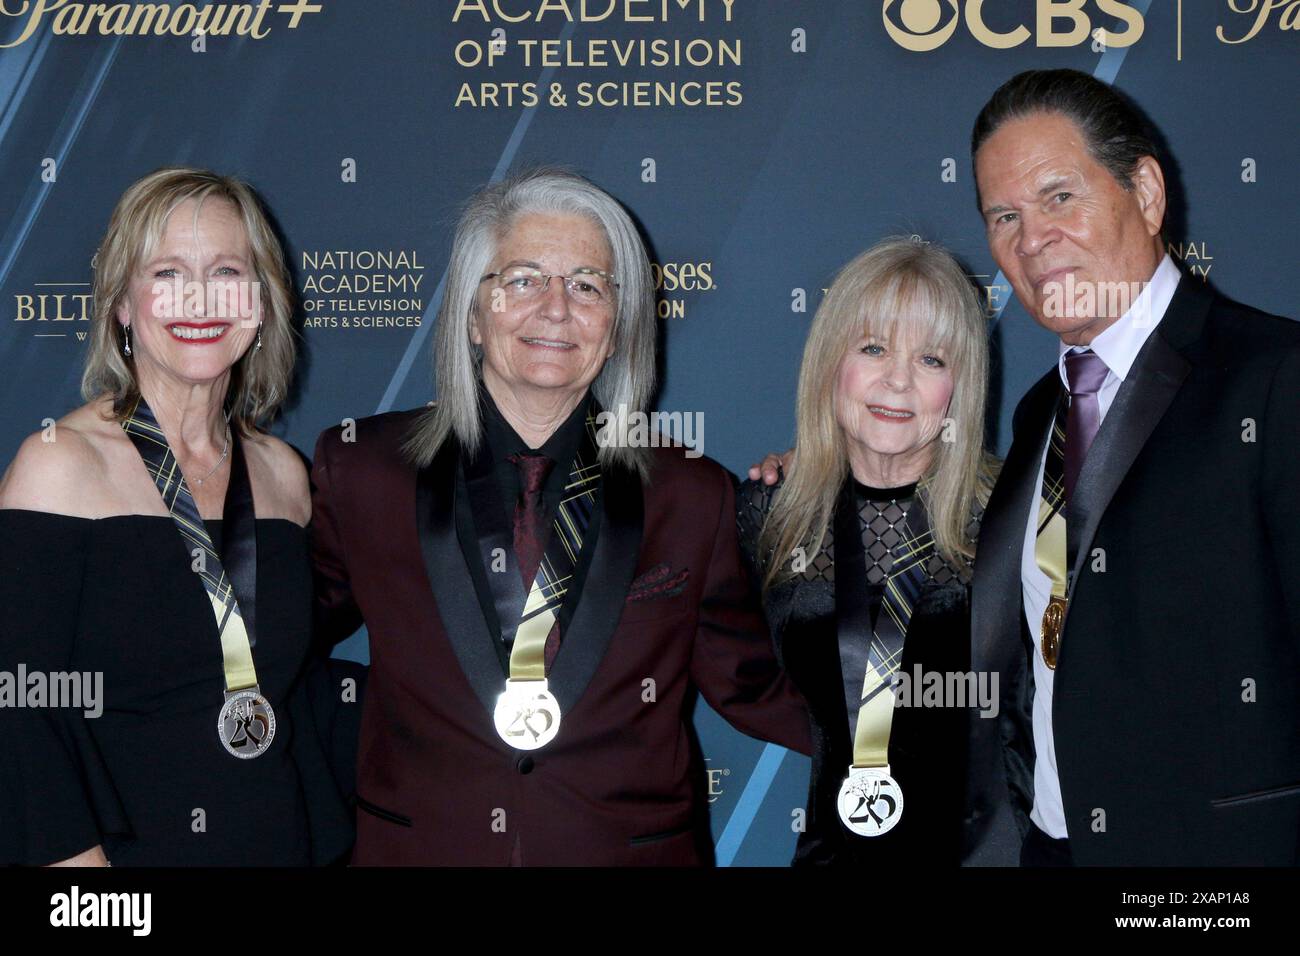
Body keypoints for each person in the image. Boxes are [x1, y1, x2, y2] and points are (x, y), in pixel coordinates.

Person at [757, 69, 1300, 866]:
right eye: (1004, 215)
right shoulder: (1041, 409)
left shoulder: (1275, 376)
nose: (1032, 238)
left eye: (1059, 197)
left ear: (1146, 192)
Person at [309, 166, 812, 866]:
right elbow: (274, 643)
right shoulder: (362, 469)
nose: (554, 308)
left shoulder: (690, 491)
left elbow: (754, 683)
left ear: (617, 324)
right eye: (522, 278)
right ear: (473, 314)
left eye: (585, 284)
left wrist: (921, 724)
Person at [0, 168, 353, 866]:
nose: (199, 297)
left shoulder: (284, 476)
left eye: (226, 269)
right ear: (123, 305)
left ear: (260, 301)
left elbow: (299, 682)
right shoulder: (60, 464)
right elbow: (17, 706)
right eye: (167, 272)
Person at [736, 237, 996, 865]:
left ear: (960, 385)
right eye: (874, 348)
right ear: (832, 362)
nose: (897, 379)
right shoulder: (768, 512)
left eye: (932, 358)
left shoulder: (1011, 521)